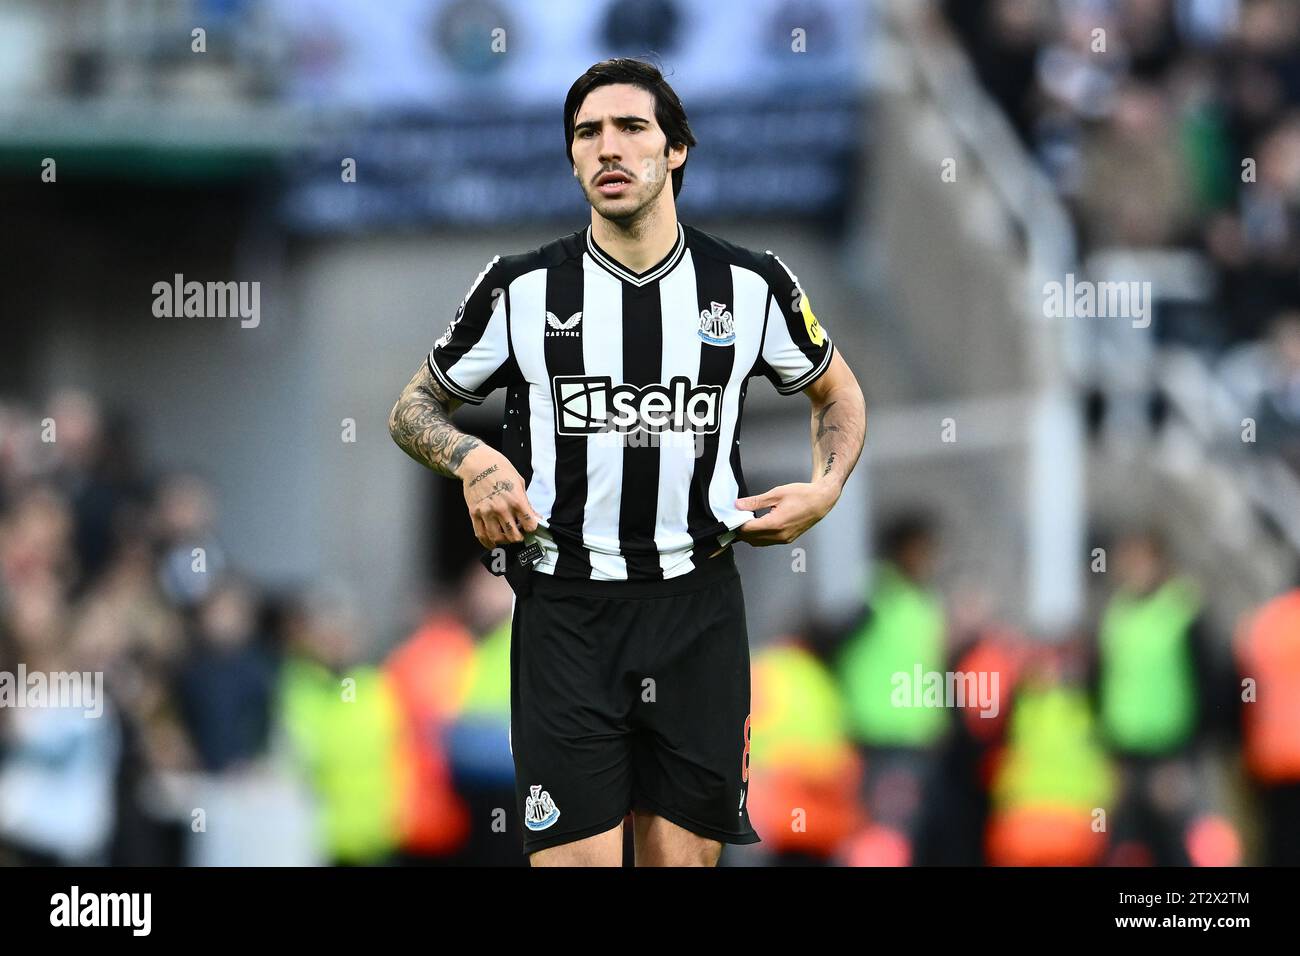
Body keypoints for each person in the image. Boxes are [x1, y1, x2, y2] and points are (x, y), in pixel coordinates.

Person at [388, 57, 867, 866]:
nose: (608, 149)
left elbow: (839, 395)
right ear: (572, 158)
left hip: (698, 611)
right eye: (587, 134)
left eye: (630, 128)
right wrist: (472, 458)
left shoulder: (750, 285)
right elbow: (413, 408)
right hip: (566, 614)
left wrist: (827, 489)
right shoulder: (520, 289)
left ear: (675, 149)